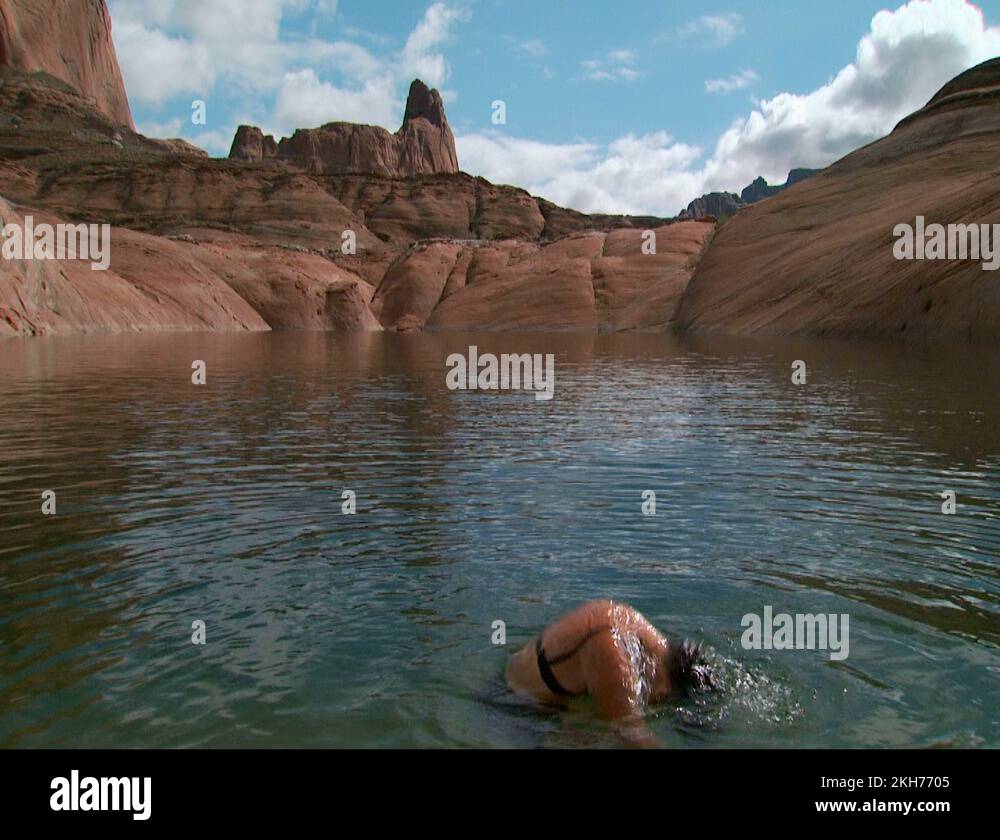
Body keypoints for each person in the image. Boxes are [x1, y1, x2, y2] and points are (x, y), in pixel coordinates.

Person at [505, 600, 714, 746]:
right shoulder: (612, 657)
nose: (652, 703)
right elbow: (637, 739)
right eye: (660, 700)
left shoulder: (636, 629)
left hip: (549, 693)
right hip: (516, 708)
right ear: (666, 687)